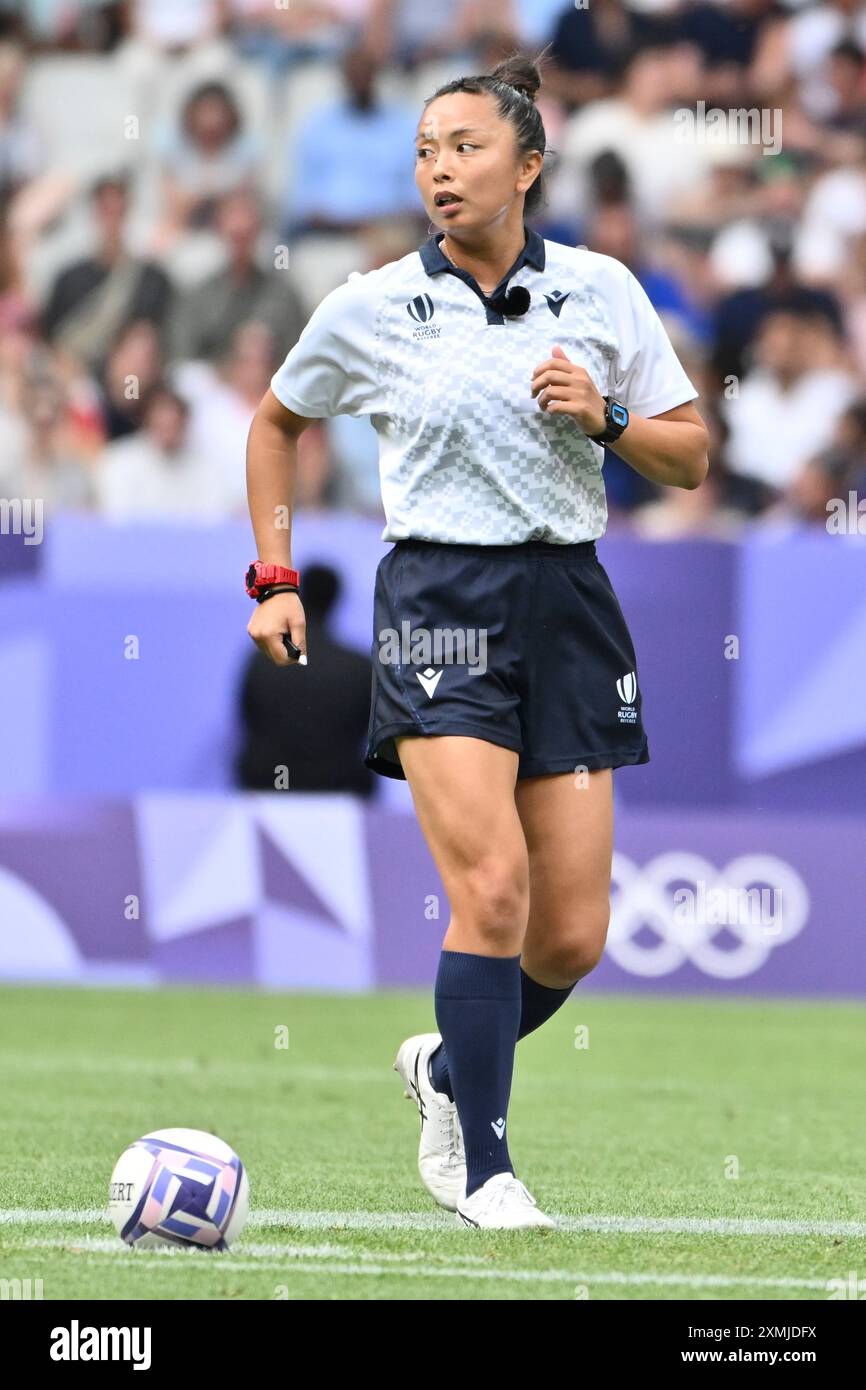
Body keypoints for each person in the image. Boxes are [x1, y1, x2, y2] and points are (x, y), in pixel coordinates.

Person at [243, 53, 708, 1229]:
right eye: (423, 151)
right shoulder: (369, 304)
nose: (437, 170)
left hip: (569, 603)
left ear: (528, 165)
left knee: (572, 935)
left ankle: (446, 1068)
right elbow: (275, 423)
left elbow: (690, 453)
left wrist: (605, 416)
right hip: (438, 602)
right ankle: (485, 1168)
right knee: (491, 892)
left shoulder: (600, 289)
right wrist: (276, 576)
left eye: (464, 147)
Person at [236, 563, 376, 796]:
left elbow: (247, 719)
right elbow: (368, 730)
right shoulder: (359, 666)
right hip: (338, 786)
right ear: (335, 600)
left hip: (269, 782)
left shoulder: (264, 659)